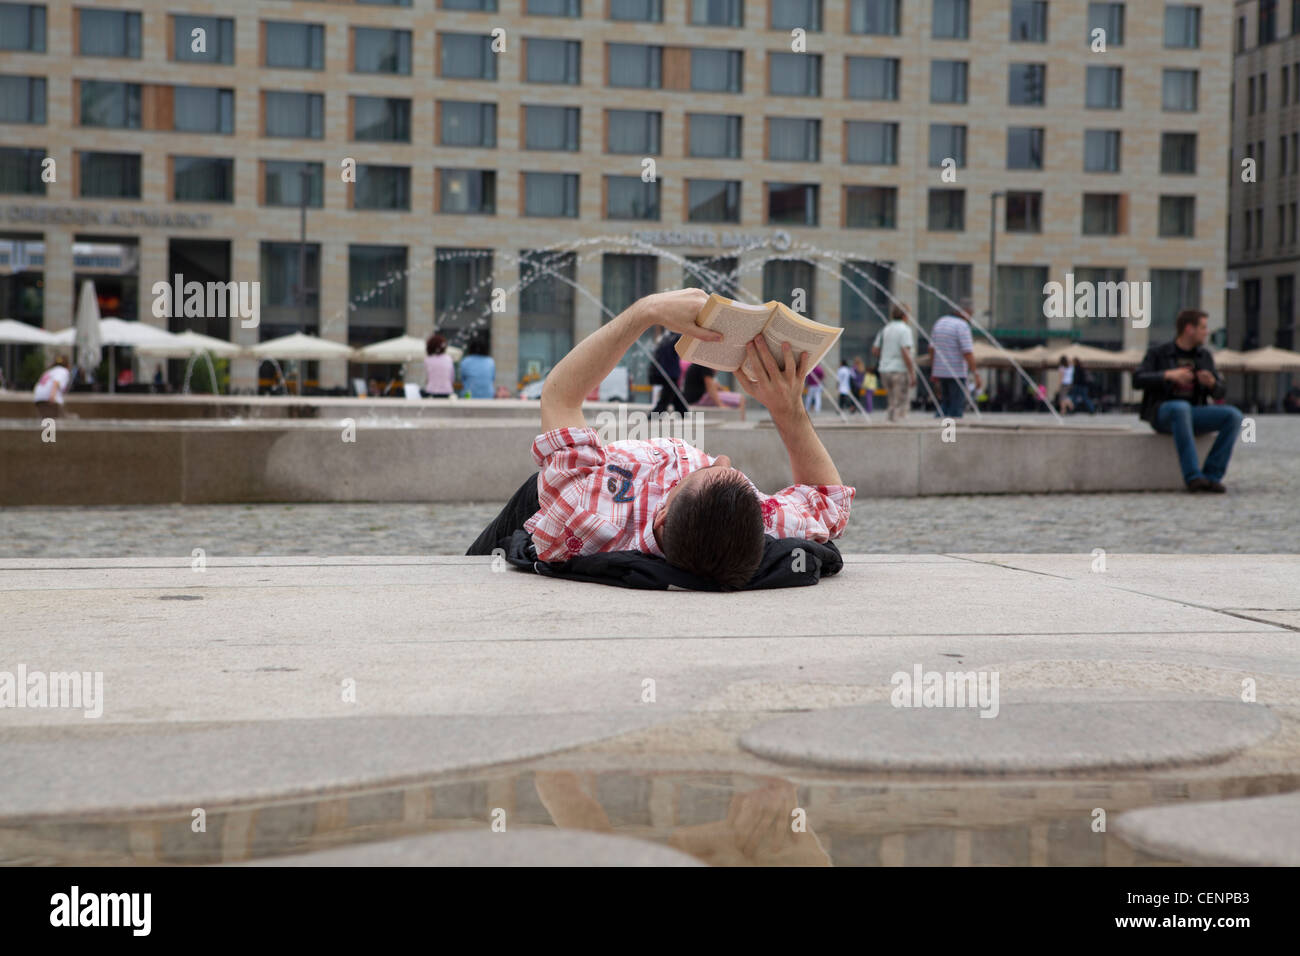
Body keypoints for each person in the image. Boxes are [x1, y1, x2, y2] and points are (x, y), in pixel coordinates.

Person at [465, 289, 855, 590]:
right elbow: (827, 500)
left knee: (471, 573)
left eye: (705, 472)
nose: (721, 458)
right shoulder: (767, 519)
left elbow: (560, 395)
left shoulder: (583, 509)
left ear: (663, 514)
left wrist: (645, 312)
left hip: (539, 502)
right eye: (733, 473)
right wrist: (787, 409)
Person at [1134, 308, 1241, 493]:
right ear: (1189, 329)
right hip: (1163, 412)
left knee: (1234, 416)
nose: (1206, 332)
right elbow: (1138, 379)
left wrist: (1212, 383)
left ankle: (1212, 476)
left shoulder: (1204, 356)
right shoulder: (1158, 353)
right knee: (1180, 408)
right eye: (1203, 327)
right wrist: (1168, 375)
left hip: (1194, 412)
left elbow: (1220, 392)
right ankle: (1193, 477)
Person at [929, 298, 981, 418]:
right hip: (956, 372)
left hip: (940, 371)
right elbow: (967, 352)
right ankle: (952, 434)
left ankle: (938, 430)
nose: (971, 317)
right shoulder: (962, 325)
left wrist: (934, 369)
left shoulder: (939, 322)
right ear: (965, 311)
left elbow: (931, 349)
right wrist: (976, 373)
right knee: (956, 407)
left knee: (944, 404)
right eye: (971, 313)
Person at [874, 305, 918, 422]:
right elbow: (905, 352)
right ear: (905, 316)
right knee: (901, 403)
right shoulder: (905, 329)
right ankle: (899, 429)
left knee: (892, 401)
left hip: (884, 369)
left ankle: (889, 423)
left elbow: (875, 350)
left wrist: (887, 356)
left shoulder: (885, 329)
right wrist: (912, 373)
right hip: (900, 370)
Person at [682, 360, 747, 419]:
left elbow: (714, 385)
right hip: (698, 398)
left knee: (735, 399)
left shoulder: (699, 364)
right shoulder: (705, 366)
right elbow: (711, 389)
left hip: (692, 398)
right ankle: (742, 423)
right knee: (740, 399)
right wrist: (721, 405)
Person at [649, 328, 687, 415]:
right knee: (666, 398)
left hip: (664, 372)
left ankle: (684, 413)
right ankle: (653, 416)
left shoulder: (666, 337)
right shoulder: (677, 337)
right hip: (670, 373)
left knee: (675, 395)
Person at [458, 334, 496, 398]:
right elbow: (492, 378)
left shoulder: (466, 361)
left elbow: (462, 379)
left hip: (469, 395)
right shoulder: (490, 361)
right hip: (487, 396)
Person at [423, 333, 455, 398]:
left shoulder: (427, 360)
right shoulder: (448, 359)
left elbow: (428, 378)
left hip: (431, 391)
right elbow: (452, 378)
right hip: (447, 391)